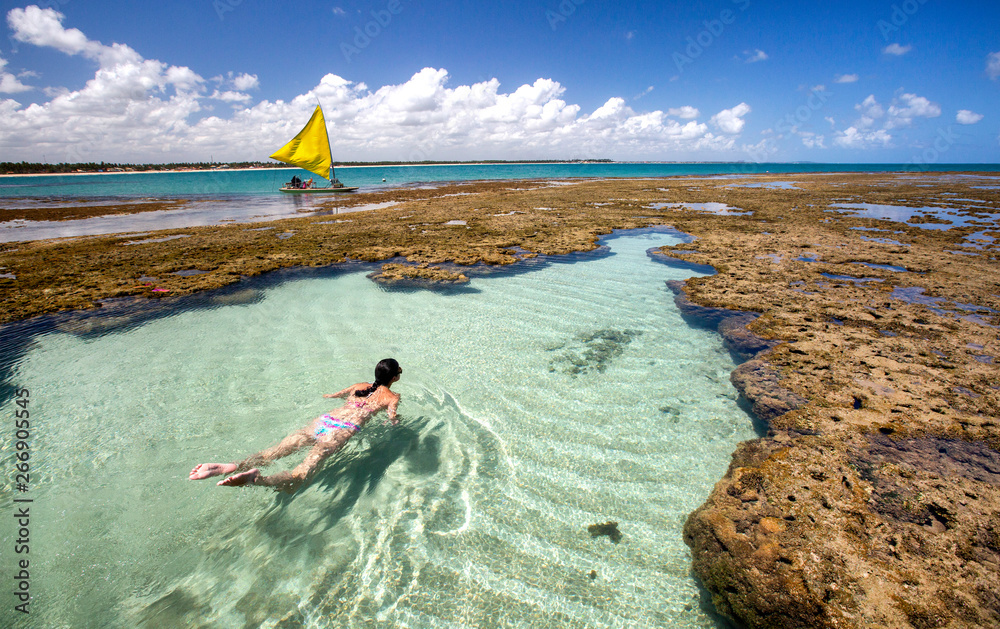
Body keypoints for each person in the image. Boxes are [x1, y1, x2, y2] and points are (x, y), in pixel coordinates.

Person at [189, 359, 402, 493]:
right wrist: (394, 425)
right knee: (299, 477)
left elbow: (332, 395)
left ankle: (230, 466)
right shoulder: (392, 396)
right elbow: (392, 420)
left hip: (323, 422)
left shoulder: (359, 386)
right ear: (394, 377)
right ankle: (257, 479)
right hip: (341, 431)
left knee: (272, 453)